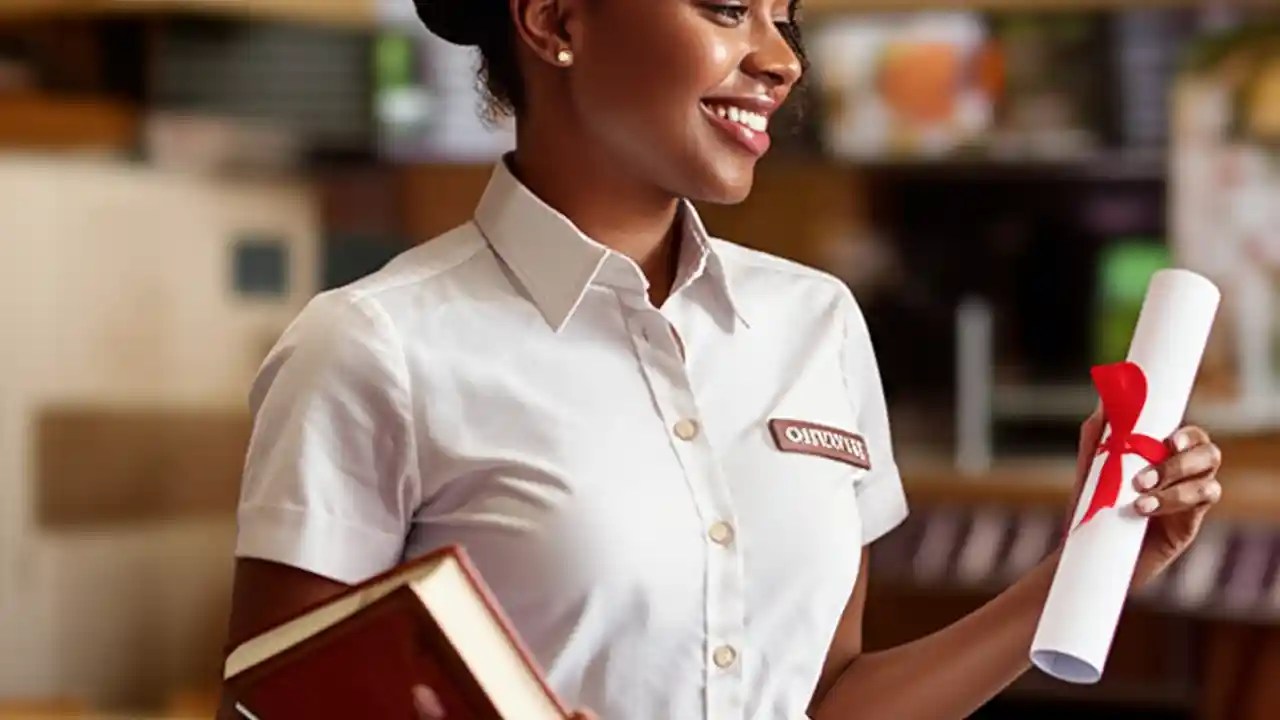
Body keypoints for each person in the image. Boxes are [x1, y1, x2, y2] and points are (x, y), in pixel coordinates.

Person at [217, 1, 1226, 718]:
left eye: (783, 18)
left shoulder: (813, 323)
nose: (779, 58)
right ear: (554, 21)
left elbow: (827, 702)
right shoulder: (376, 346)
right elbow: (277, 704)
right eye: (727, 8)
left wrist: (1090, 569)